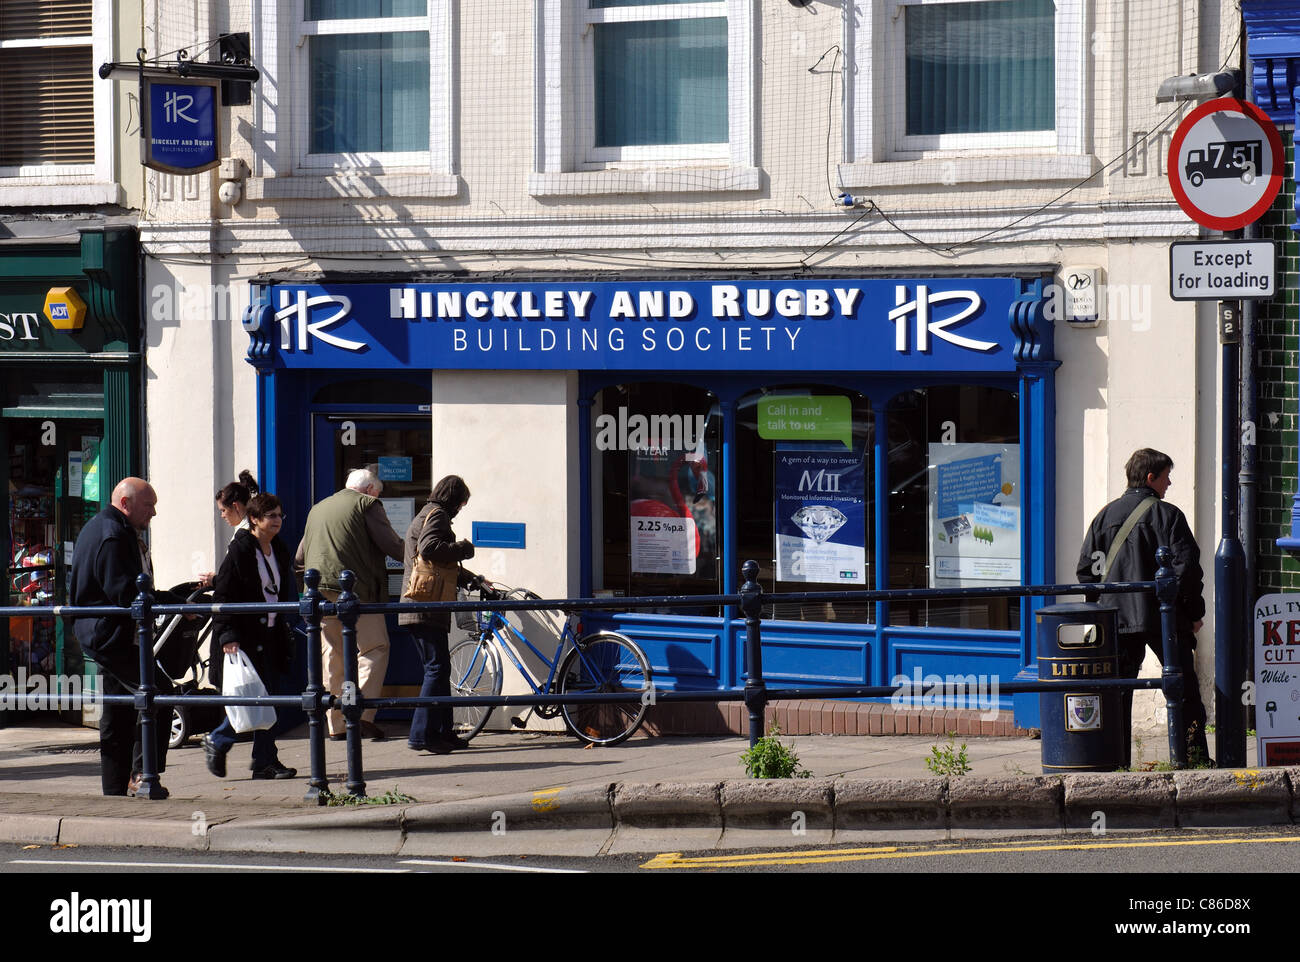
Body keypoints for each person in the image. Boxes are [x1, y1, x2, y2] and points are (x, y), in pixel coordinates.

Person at [1076, 448, 1210, 766]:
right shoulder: (1168, 516)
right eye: (1166, 477)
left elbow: (1086, 571)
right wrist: (1193, 613)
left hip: (1116, 619)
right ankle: (1191, 759)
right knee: (1184, 690)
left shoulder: (1104, 516)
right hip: (1163, 618)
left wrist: (1102, 608)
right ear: (1151, 478)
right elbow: (1187, 569)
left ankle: (1117, 761)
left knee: (1118, 692)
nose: (1169, 483)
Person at [69, 477, 173, 798]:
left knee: (117, 712)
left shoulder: (109, 527)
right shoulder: (113, 535)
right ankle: (143, 776)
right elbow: (126, 593)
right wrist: (166, 601)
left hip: (105, 634)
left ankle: (114, 788)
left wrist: (173, 596)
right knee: (157, 694)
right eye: (148, 506)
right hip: (112, 636)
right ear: (125, 503)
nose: (153, 513)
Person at [295, 468, 404, 741]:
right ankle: (361, 713)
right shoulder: (368, 504)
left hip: (319, 591)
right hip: (357, 591)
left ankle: (336, 724)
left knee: (332, 653)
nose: (379, 498)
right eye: (378, 493)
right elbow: (392, 545)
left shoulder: (318, 509)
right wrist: (417, 557)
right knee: (374, 648)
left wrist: (306, 590)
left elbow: (299, 558)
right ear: (369, 490)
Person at [203, 493, 298, 780]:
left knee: (267, 700)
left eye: (280, 515)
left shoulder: (279, 549)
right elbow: (224, 595)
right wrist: (228, 635)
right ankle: (219, 740)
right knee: (254, 699)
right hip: (244, 638)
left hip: (270, 635)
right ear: (254, 520)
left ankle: (264, 761)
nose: (277, 521)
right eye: (271, 516)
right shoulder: (241, 550)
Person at [399, 475, 484, 754]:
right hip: (423, 606)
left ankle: (443, 733)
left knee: (439, 669)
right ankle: (422, 735)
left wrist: (471, 578)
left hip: (424, 606)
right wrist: (463, 549)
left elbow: (437, 563)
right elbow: (429, 548)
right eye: (461, 503)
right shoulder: (437, 516)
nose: (461, 508)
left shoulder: (427, 514)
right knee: (436, 669)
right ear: (453, 499)